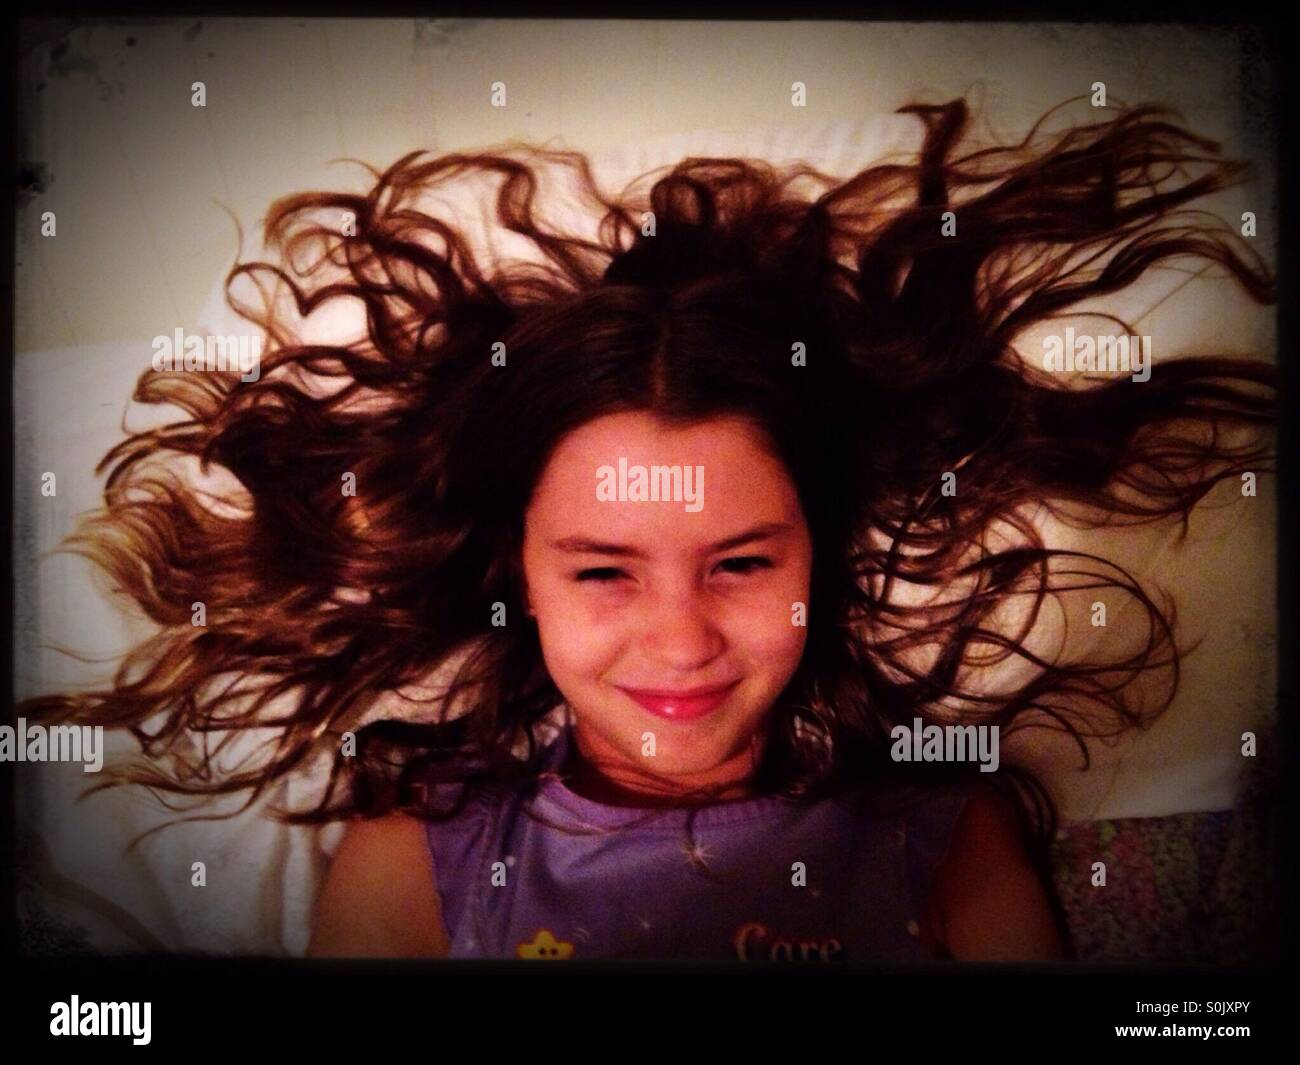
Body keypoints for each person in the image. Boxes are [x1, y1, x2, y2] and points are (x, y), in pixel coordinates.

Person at [23, 95, 1276, 962]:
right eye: (604, 569)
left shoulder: (939, 824)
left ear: (819, 558)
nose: (679, 647)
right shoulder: (420, 839)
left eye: (740, 562)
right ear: (519, 568)